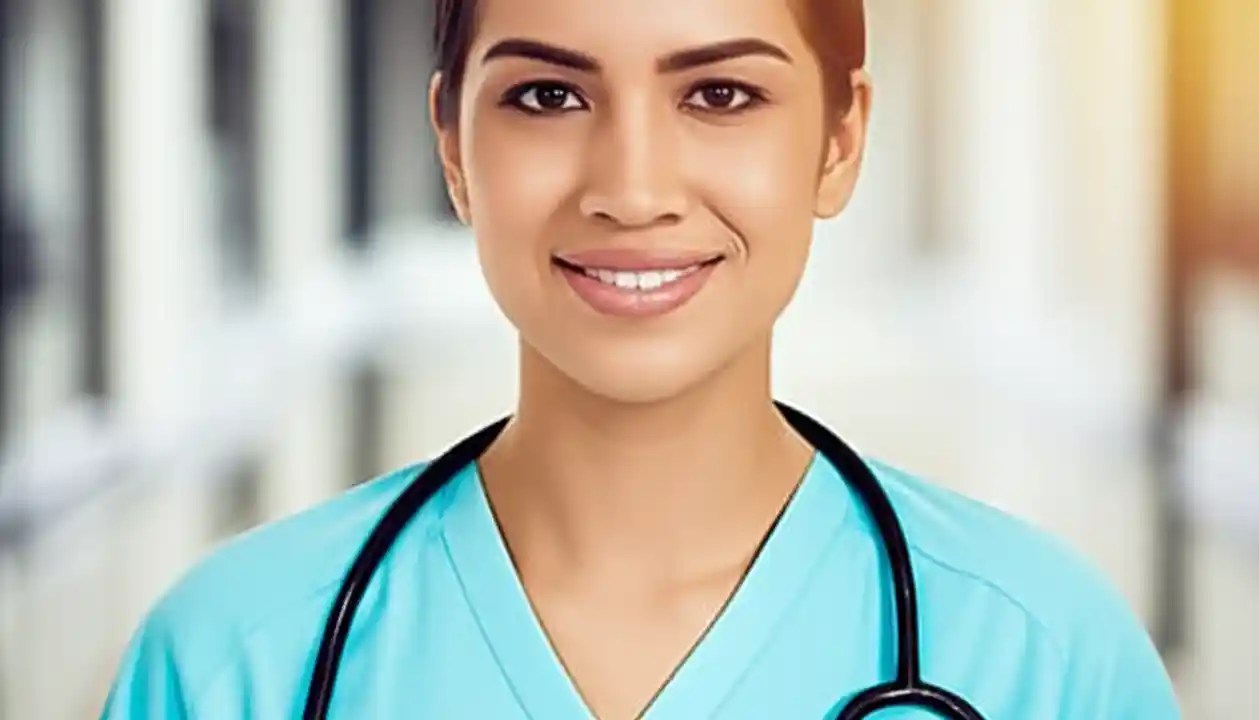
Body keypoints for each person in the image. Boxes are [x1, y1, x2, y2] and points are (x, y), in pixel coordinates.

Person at [101, 0, 1182, 717]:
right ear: (451, 146)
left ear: (838, 140)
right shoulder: (229, 663)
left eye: (717, 95)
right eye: (547, 96)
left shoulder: (1043, 660)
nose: (629, 185)